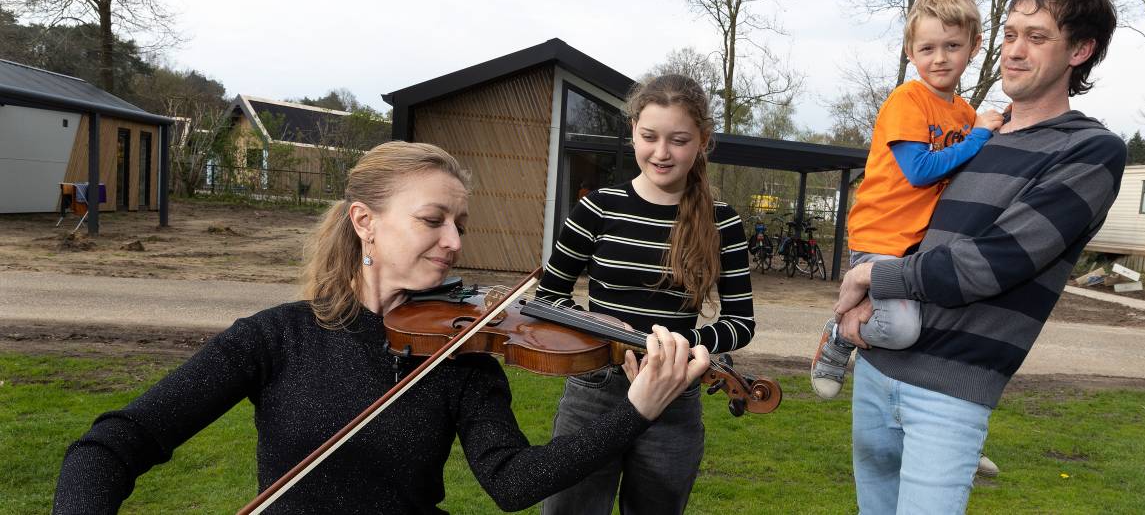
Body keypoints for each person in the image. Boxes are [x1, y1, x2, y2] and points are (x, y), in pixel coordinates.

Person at [53, 141, 710, 515]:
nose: (454, 242)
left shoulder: (465, 357)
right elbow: (115, 443)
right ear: (365, 222)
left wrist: (634, 410)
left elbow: (512, 482)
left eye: (461, 224)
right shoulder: (277, 338)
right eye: (433, 221)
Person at [833, 0, 1125, 514]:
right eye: (1011, 33)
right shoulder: (971, 136)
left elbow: (995, 262)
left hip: (950, 389)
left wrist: (872, 277)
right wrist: (863, 300)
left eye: (1036, 38)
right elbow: (908, 220)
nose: (1015, 51)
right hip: (877, 369)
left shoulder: (1089, 150)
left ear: (1081, 50)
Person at [536, 74, 755, 515]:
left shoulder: (723, 222)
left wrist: (687, 347)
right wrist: (600, 327)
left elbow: (740, 323)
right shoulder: (597, 207)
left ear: (702, 141)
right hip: (595, 389)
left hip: (675, 393)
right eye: (649, 136)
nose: (661, 152)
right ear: (632, 129)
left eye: (678, 140)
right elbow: (547, 299)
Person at [808, 0, 1004, 475]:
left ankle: (948, 436)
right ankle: (838, 333)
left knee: (949, 335)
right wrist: (981, 136)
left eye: (952, 47)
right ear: (909, 51)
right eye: (927, 48)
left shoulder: (962, 113)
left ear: (975, 46)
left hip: (926, 245)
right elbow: (919, 170)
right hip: (883, 236)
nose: (939, 58)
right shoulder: (907, 100)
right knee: (900, 327)